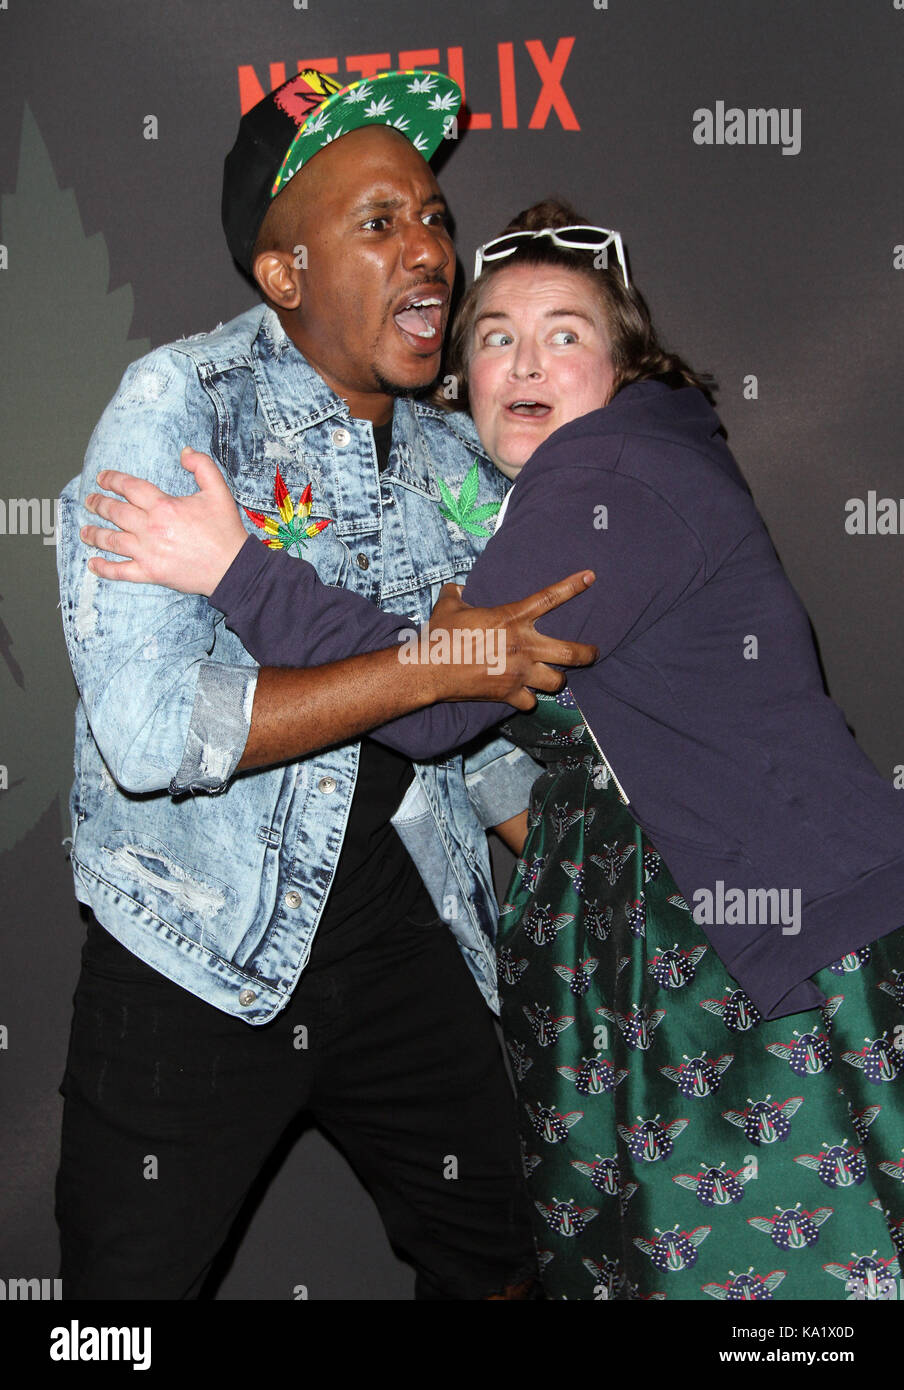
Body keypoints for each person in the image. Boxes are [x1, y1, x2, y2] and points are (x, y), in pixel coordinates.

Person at [81, 199, 904, 1302]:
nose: (527, 358)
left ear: (626, 364)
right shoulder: (525, 489)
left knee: (768, 1277)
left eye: (566, 333)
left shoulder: (606, 479)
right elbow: (507, 720)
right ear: (458, 378)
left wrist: (236, 565)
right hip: (651, 944)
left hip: (759, 947)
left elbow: (434, 700)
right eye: (496, 335)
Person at [55, 70, 602, 1301]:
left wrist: (611, 884)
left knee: (508, 1264)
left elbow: (482, 731)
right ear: (284, 274)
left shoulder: (458, 458)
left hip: (409, 928)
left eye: (434, 219)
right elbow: (147, 731)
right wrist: (434, 663)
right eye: (379, 224)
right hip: (195, 942)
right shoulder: (180, 410)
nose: (430, 253)